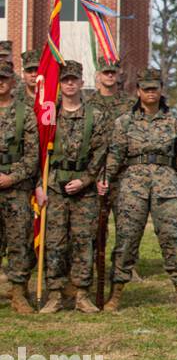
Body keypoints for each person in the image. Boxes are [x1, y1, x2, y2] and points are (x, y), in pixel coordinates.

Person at [102, 68, 177, 311]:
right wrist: (106, 179)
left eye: (155, 88)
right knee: (126, 240)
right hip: (133, 186)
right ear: (138, 91)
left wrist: (165, 173)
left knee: (171, 238)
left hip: (166, 186)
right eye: (146, 88)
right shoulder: (124, 123)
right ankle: (116, 293)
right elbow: (115, 156)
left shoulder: (176, 123)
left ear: (161, 90)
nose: (151, 92)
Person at [35, 61, 111, 313]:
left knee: (83, 241)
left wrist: (86, 179)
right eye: (65, 79)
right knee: (55, 242)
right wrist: (39, 185)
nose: (69, 83)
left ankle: (81, 294)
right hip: (54, 187)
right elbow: (38, 153)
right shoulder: (48, 115)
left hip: (84, 189)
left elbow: (101, 152)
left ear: (81, 82)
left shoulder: (95, 115)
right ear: (59, 83)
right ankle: (55, 294)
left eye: (73, 79)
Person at [86, 59, 144, 281]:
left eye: (113, 72)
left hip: (123, 172)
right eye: (105, 72)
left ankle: (126, 266)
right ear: (98, 75)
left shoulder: (131, 104)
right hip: (95, 172)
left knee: (127, 223)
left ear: (119, 75)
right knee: (93, 224)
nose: (110, 76)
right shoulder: (87, 103)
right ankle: (90, 264)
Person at [0, 58, 37, 313]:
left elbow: (32, 155)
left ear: (13, 81)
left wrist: (12, 177)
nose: (0, 83)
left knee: (19, 242)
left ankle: (18, 292)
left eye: (4, 78)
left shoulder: (25, 113)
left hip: (16, 188)